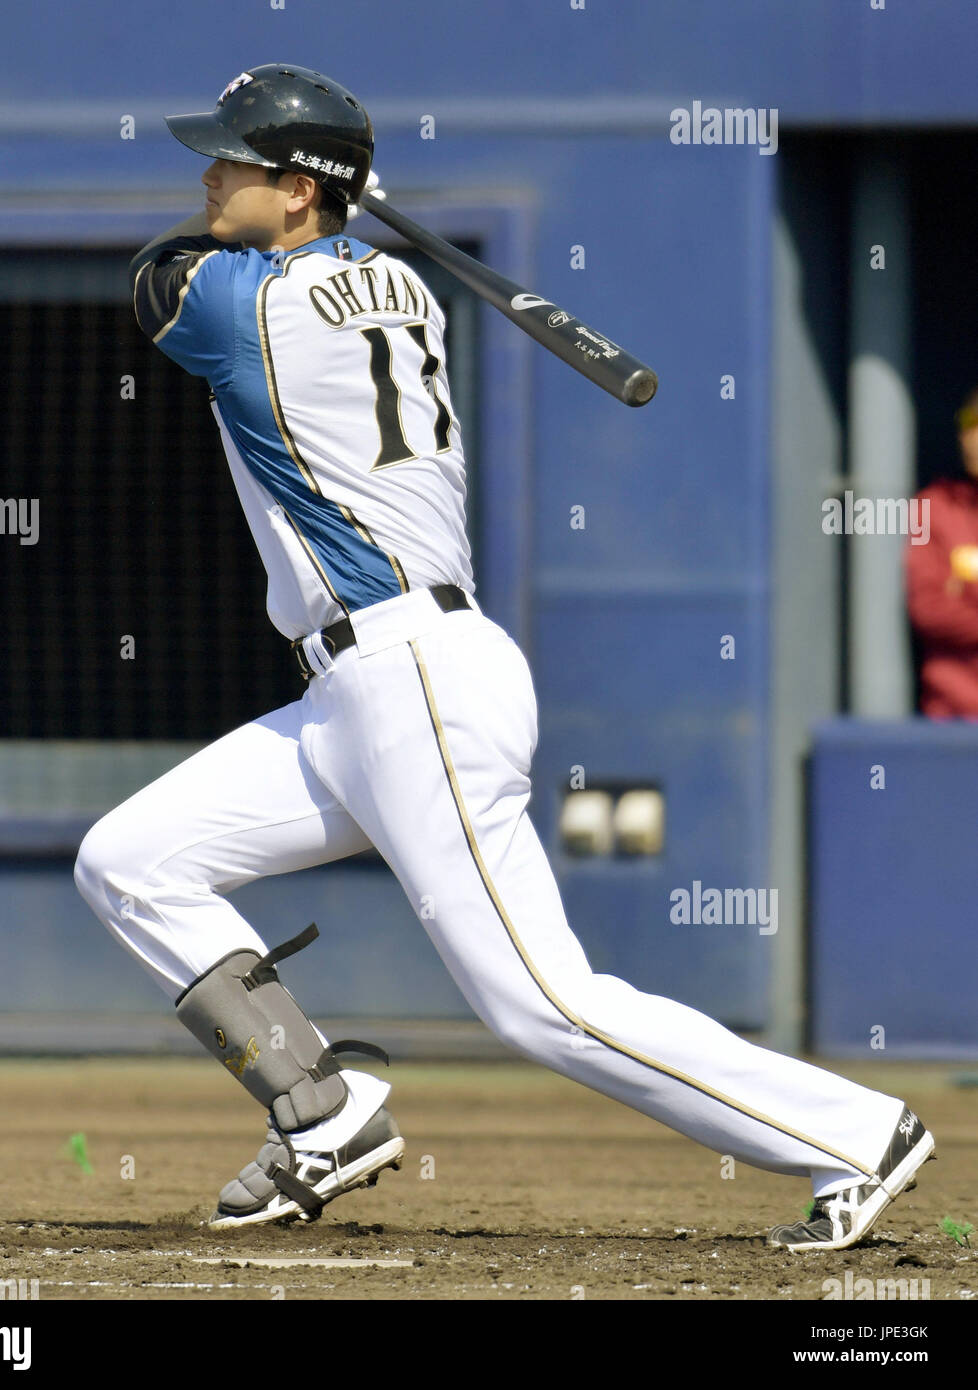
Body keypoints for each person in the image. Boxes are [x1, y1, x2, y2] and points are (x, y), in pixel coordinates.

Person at [74, 64, 935, 1248]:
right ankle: (319, 1107)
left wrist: (303, 209)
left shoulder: (252, 307)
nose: (207, 177)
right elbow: (251, 264)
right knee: (130, 860)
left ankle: (852, 1132)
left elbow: (152, 281)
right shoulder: (404, 288)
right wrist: (320, 205)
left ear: (298, 189)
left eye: (233, 162)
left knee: (541, 1005)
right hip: (362, 688)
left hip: (414, 677)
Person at [906, 388, 978, 718]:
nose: (972, 437)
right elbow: (929, 610)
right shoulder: (932, 507)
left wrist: (962, 594)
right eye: (968, 423)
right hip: (953, 721)